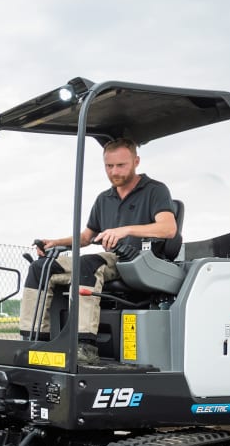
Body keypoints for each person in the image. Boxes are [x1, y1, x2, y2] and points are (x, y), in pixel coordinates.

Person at [19, 137, 176, 364]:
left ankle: (84, 345)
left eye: (121, 165)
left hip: (140, 261)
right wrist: (54, 242)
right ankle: (33, 341)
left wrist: (125, 230)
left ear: (136, 161)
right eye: (109, 166)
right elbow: (86, 237)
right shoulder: (104, 198)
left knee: (89, 264)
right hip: (109, 259)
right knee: (41, 267)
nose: (114, 171)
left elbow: (168, 228)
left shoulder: (155, 191)